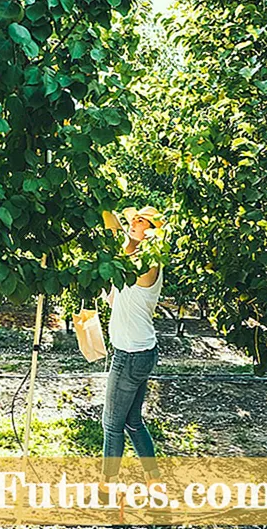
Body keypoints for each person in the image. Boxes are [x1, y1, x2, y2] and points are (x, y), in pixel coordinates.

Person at [99, 205, 165, 499]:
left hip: (131, 355)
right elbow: (111, 227)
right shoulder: (129, 259)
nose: (134, 222)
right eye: (134, 218)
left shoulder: (149, 263)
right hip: (138, 353)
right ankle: (154, 480)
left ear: (151, 231)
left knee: (111, 423)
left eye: (141, 220)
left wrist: (130, 235)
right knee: (132, 421)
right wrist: (100, 200)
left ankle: (105, 488)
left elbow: (123, 252)